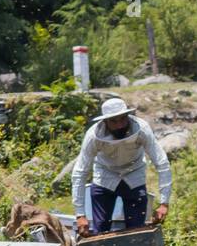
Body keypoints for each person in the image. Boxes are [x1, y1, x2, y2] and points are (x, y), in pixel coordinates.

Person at [70, 97, 171, 237]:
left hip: (134, 174)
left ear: (128, 116)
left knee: (136, 232)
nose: (119, 125)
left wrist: (164, 203)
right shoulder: (93, 136)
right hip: (104, 176)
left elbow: (162, 162)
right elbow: (80, 172)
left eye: (123, 119)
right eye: (114, 121)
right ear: (105, 121)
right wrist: (80, 215)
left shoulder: (142, 129)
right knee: (101, 231)